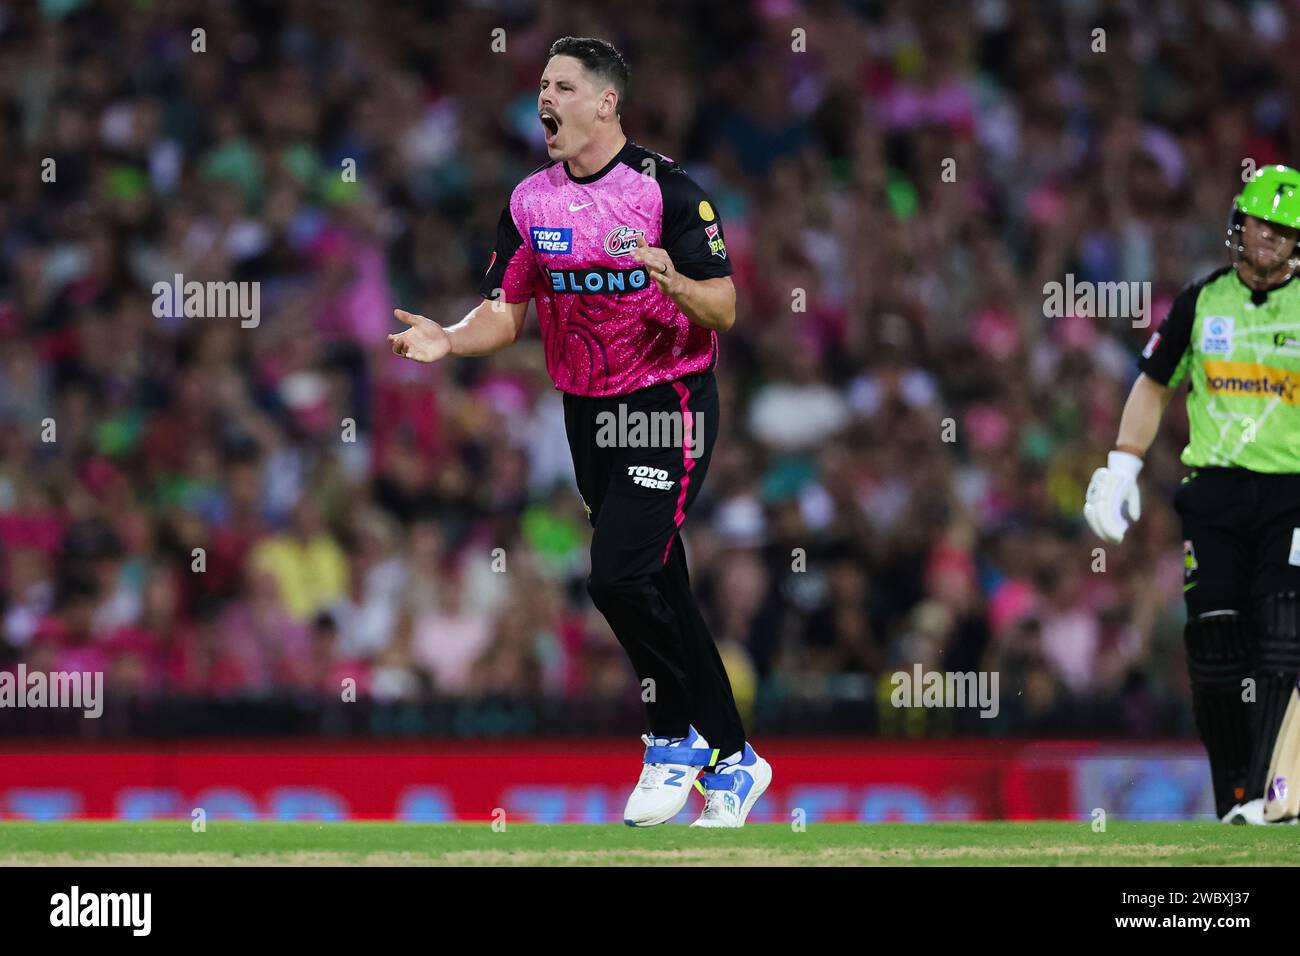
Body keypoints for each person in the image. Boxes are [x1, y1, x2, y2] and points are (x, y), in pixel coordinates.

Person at [387, 36, 770, 827]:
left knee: (617, 575)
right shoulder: (531, 203)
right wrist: (451, 339)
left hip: (666, 405)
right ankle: (737, 760)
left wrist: (669, 274)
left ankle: (674, 736)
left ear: (606, 102)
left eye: (562, 86)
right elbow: (505, 312)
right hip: (586, 413)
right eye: (540, 85)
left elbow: (725, 307)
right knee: (660, 583)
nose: (545, 100)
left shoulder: (668, 193)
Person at [1084, 165, 1300, 824]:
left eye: (1284, 231)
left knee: (1284, 642)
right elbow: (1153, 383)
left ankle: (1277, 797)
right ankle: (1236, 797)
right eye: (1262, 224)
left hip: (1294, 492)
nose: (1270, 239)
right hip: (1213, 494)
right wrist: (1122, 464)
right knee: (1213, 652)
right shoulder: (1201, 301)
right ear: (1238, 226)